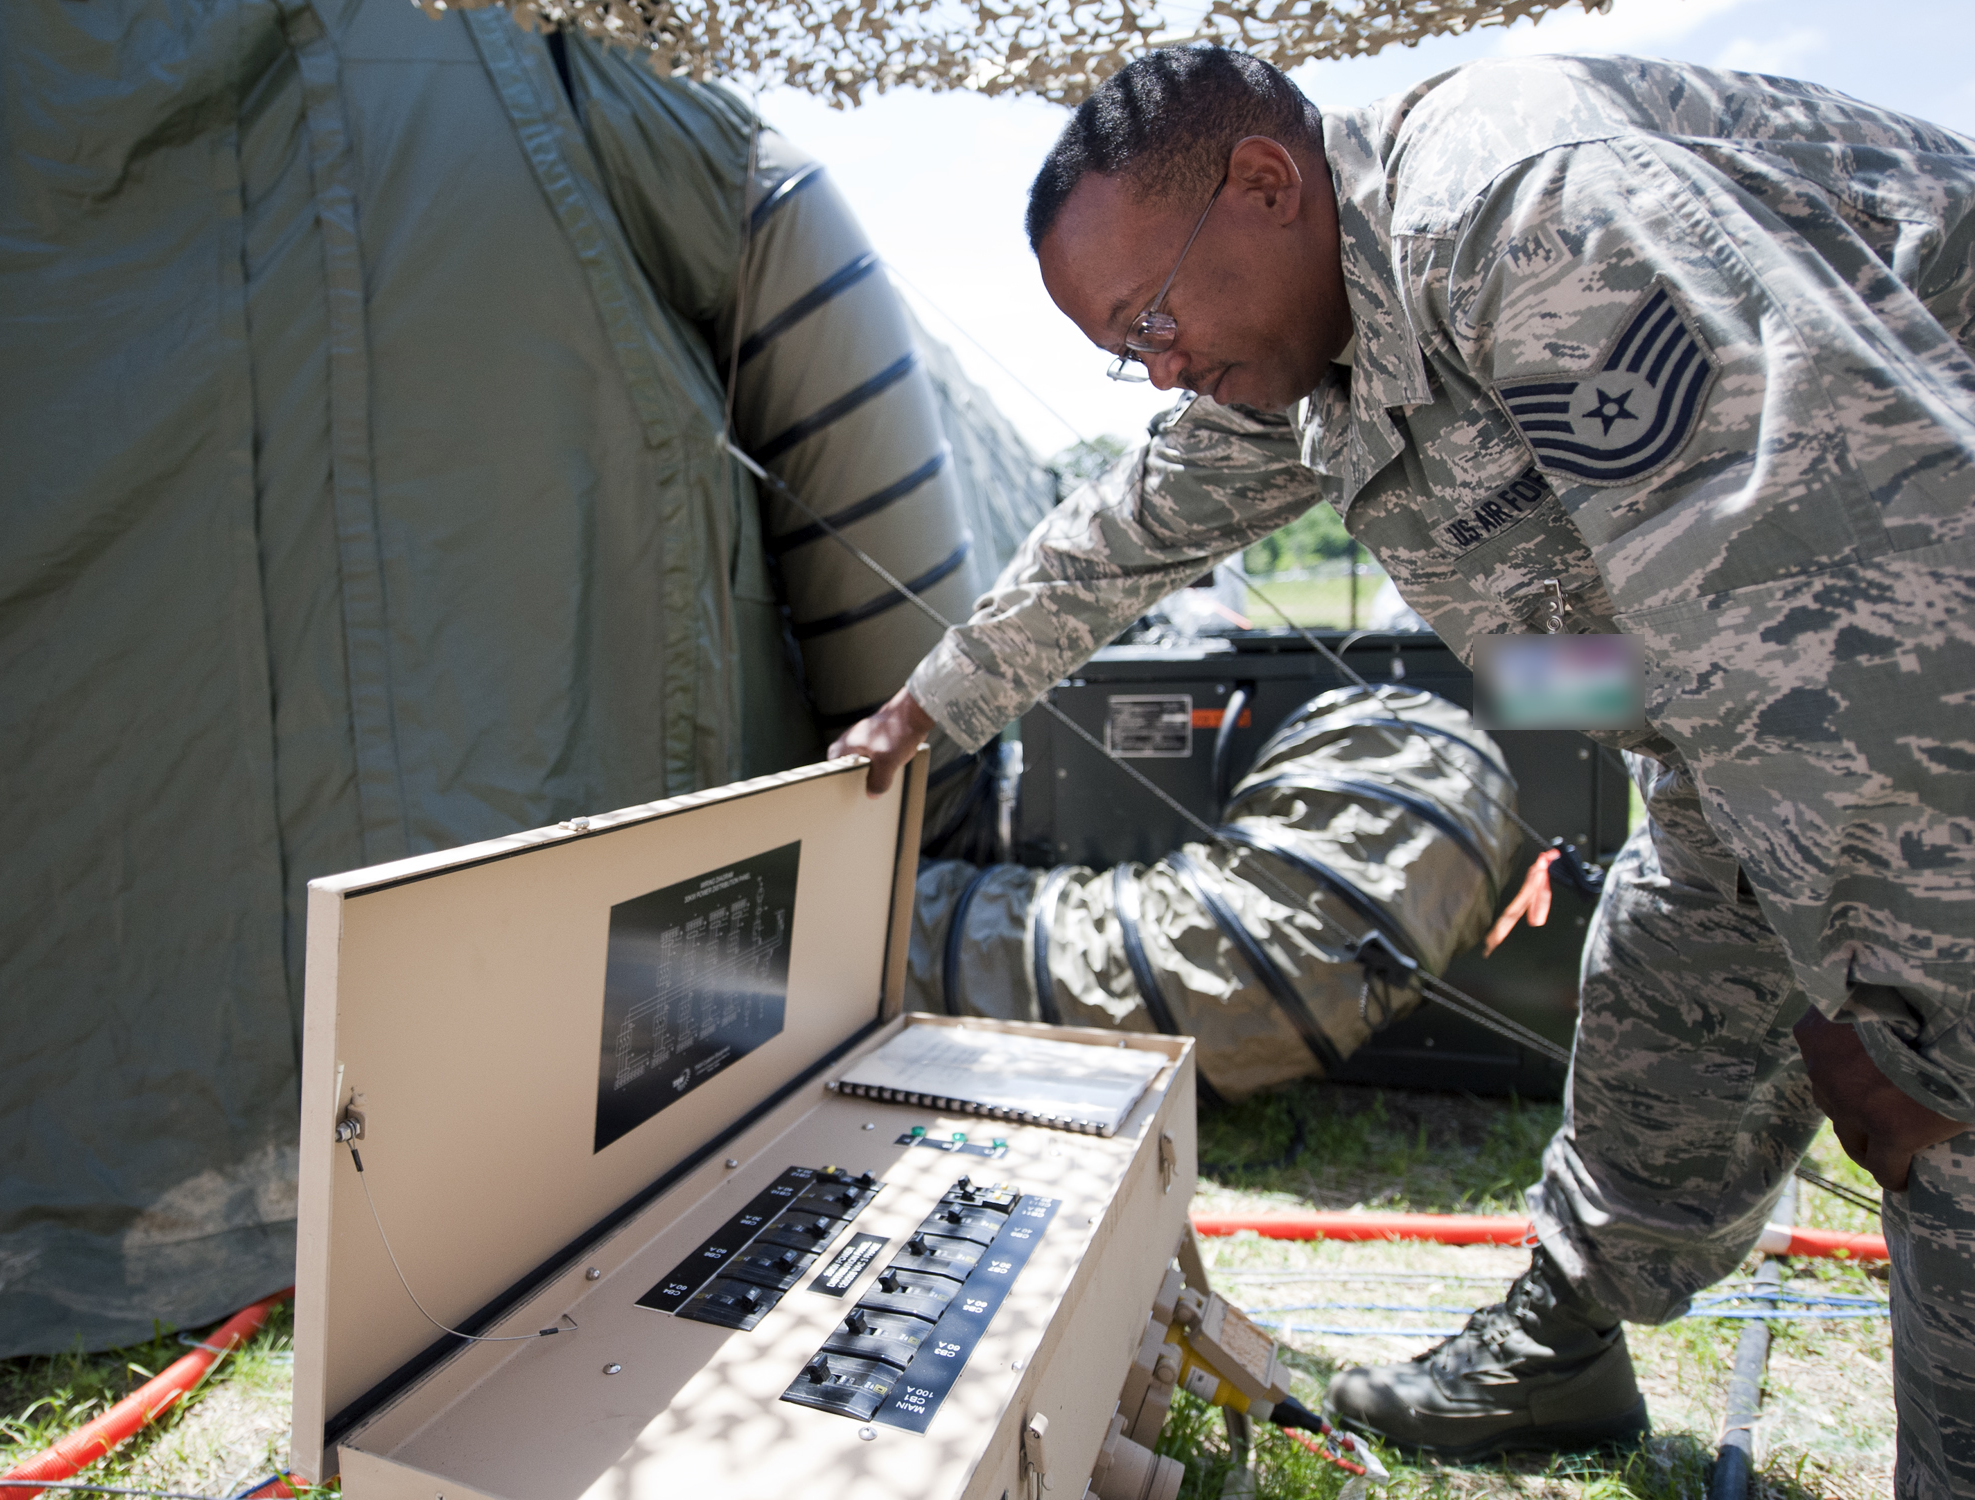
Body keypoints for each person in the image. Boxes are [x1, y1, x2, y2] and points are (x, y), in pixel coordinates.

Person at [834, 47, 1975, 1490]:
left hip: (1917, 710)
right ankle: (1556, 1361)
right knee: (1664, 998)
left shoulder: (1527, 209)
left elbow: (1853, 620)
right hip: (1745, 729)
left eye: (1155, 316)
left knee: (1943, 1113)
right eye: (1128, 352)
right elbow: (1113, 539)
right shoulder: (1308, 362)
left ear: (1266, 184)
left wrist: (1867, 991)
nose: (1162, 369)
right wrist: (921, 715)